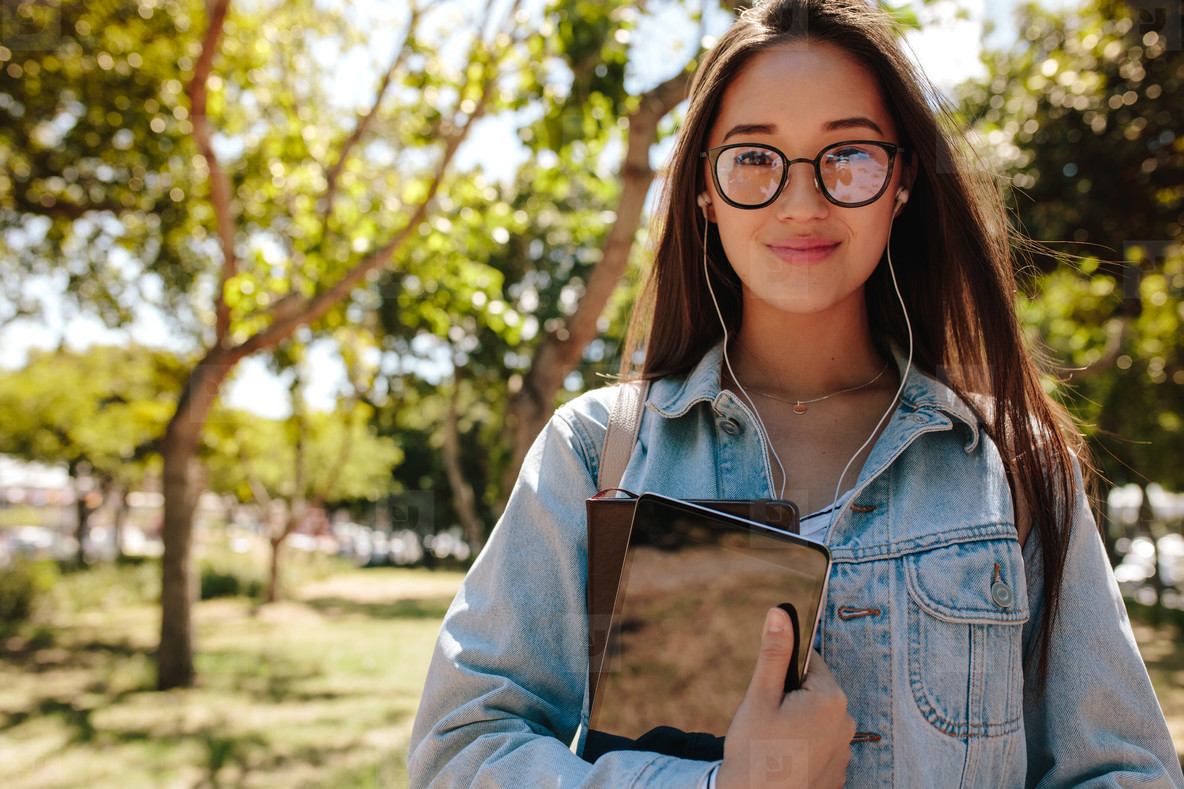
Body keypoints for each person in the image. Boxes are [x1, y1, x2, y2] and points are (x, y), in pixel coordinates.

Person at [408, 0, 1184, 786]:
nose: (802, 200)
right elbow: (463, 746)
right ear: (703, 190)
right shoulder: (596, 451)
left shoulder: (1014, 461)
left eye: (847, 153)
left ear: (902, 179)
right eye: (754, 157)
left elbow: (1122, 771)